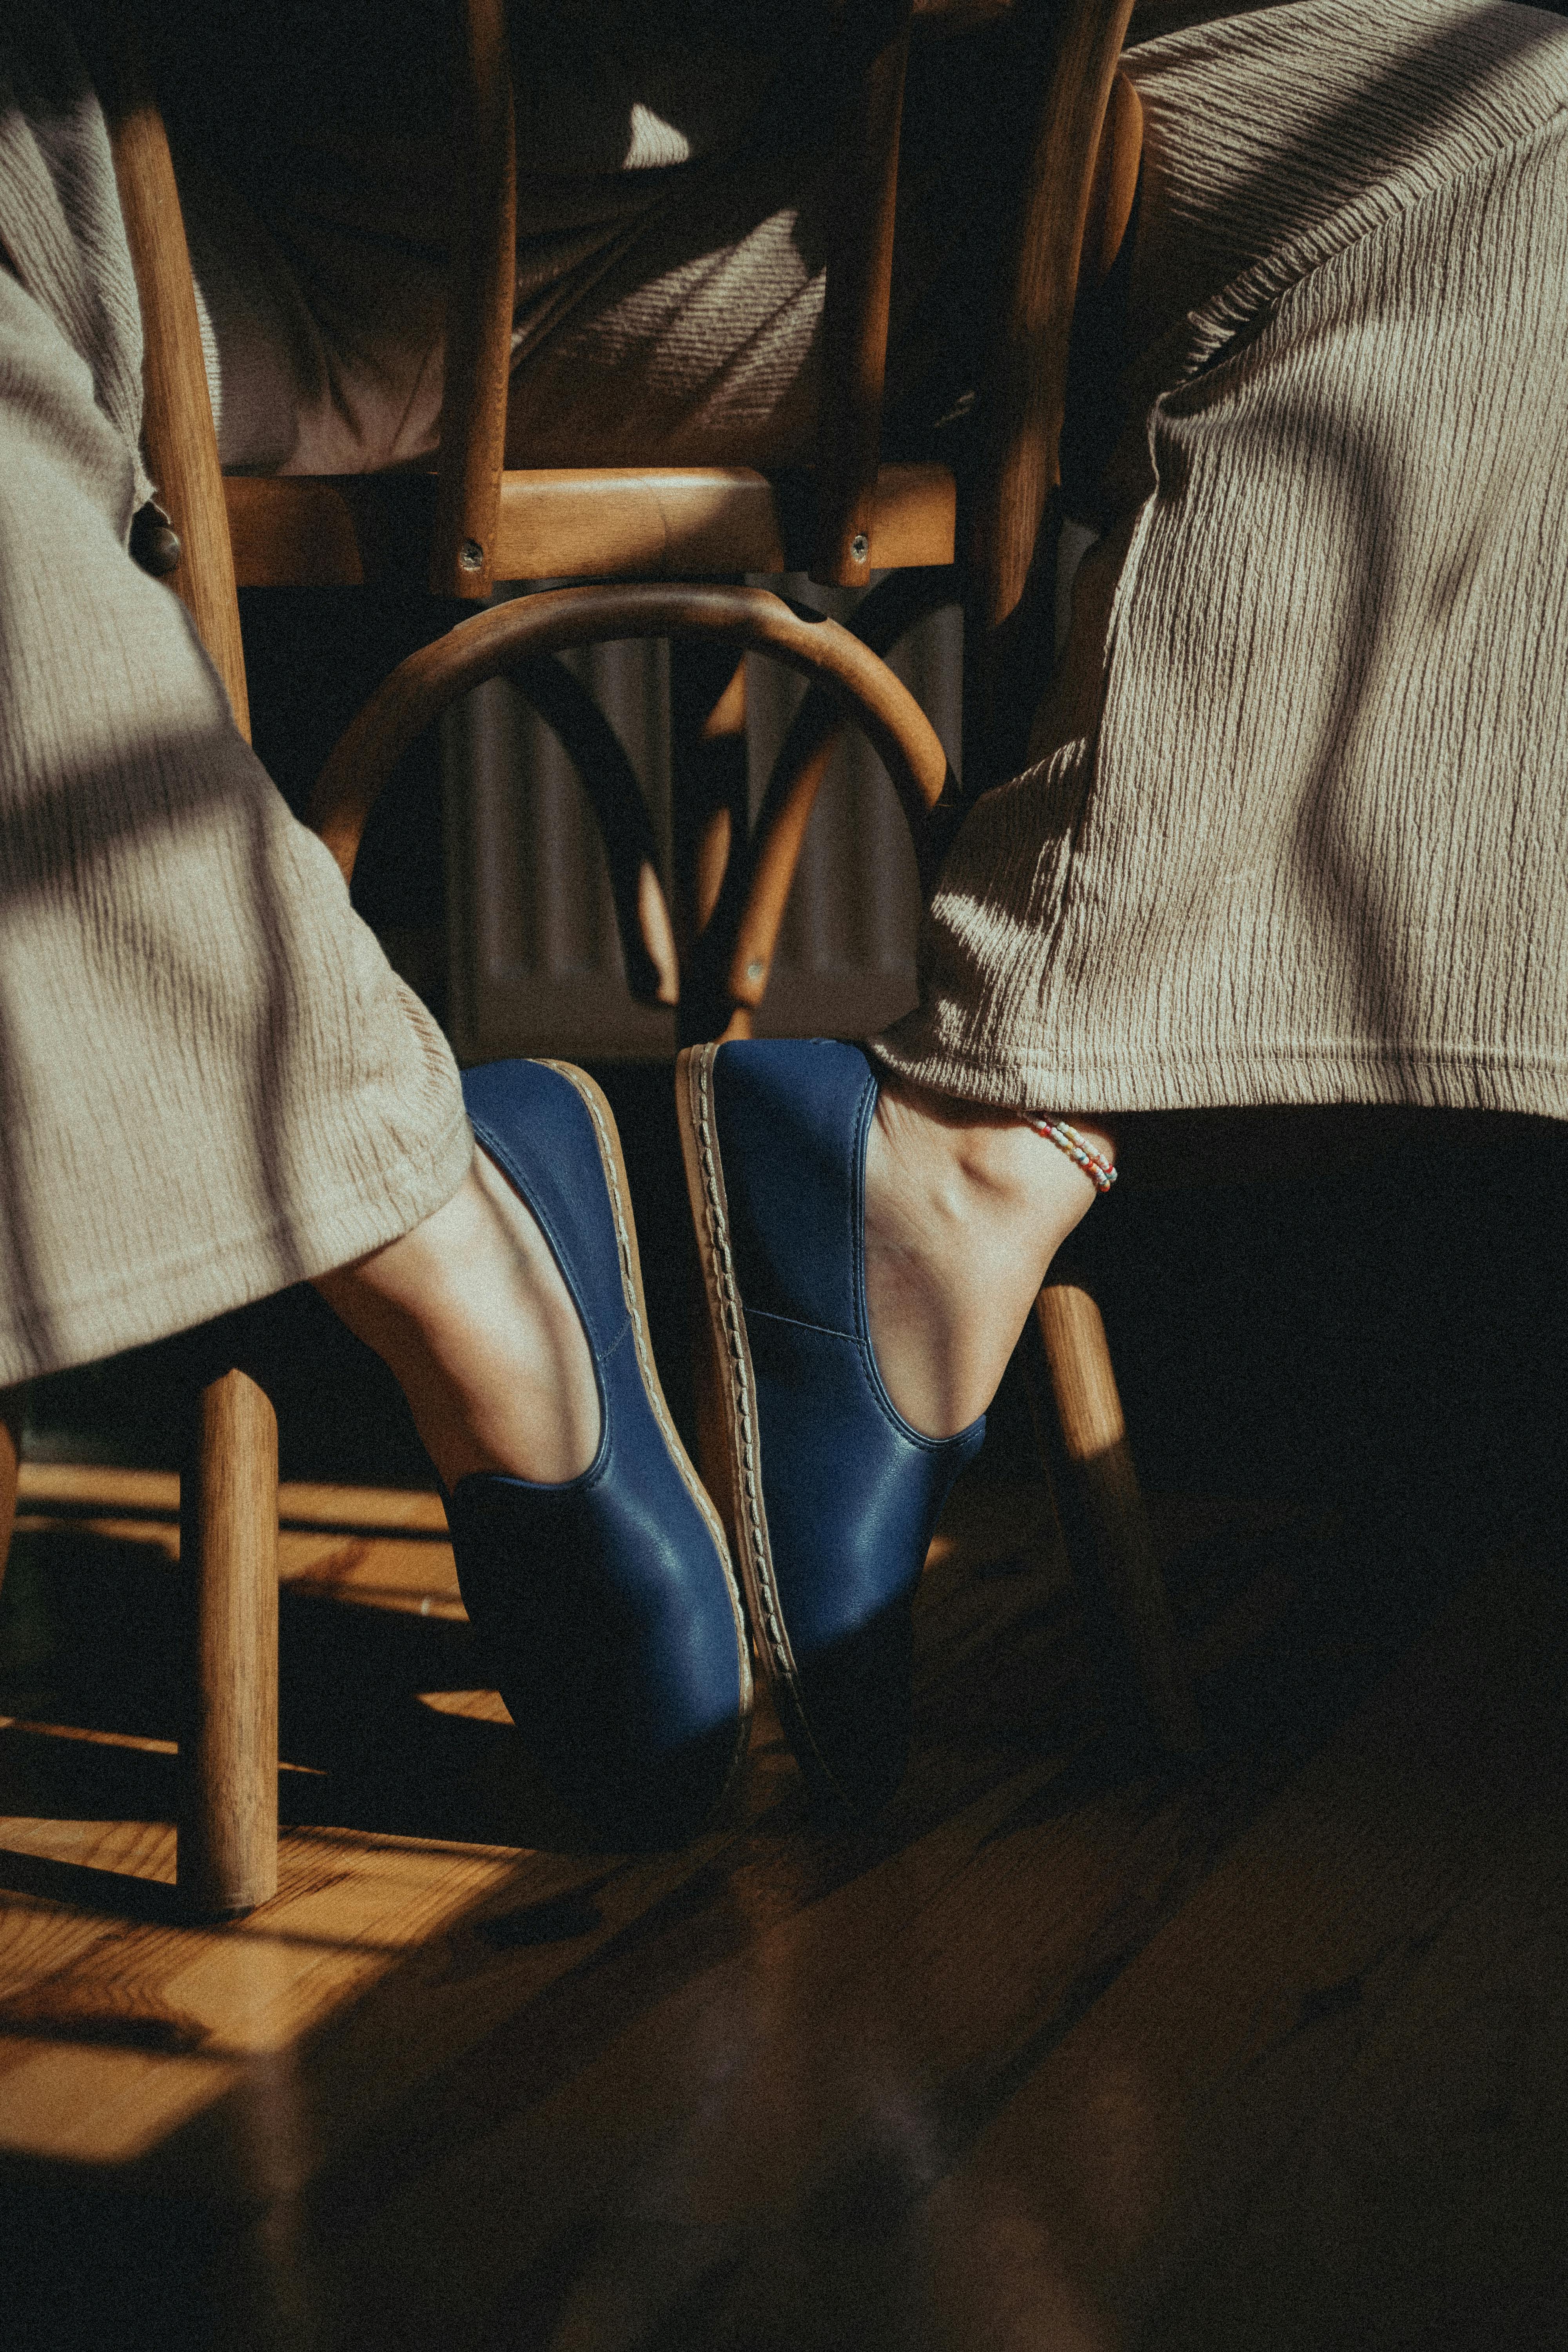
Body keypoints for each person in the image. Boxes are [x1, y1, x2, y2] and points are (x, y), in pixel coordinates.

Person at [2, 0, 1564, 1837]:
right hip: (173, 218)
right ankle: (434, 1253)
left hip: (829, 224)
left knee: (1511, 111)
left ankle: (976, 1159)